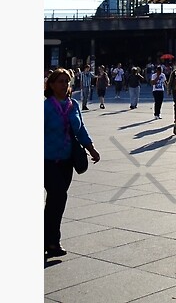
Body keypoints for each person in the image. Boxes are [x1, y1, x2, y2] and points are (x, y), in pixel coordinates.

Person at [44, 68, 101, 260]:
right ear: (51, 85)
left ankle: (48, 239)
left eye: (66, 81)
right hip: (47, 160)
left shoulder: (73, 105)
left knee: (57, 200)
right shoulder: (45, 107)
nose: (64, 85)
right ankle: (52, 241)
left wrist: (91, 148)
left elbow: (81, 129)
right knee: (57, 196)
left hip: (67, 161)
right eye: (60, 81)